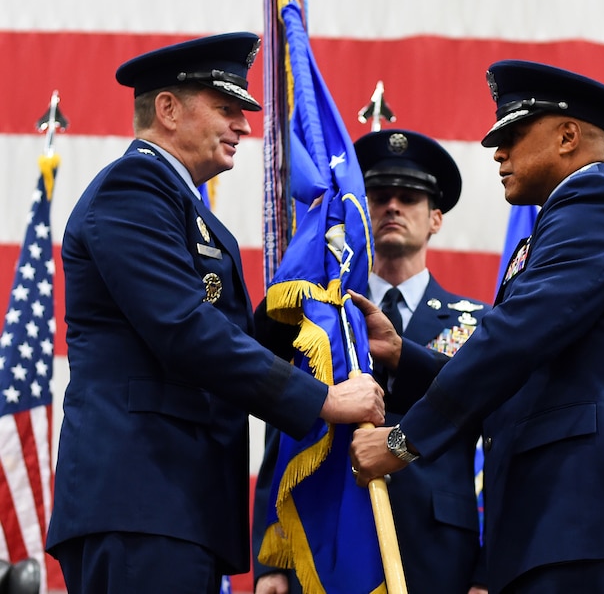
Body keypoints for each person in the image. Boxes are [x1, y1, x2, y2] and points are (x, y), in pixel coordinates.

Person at [45, 33, 385, 594]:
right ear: (168, 109)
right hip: (141, 498)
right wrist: (322, 401)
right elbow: (183, 328)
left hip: (177, 504)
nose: (245, 126)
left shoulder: (180, 206)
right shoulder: (132, 190)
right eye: (226, 108)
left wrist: (316, 316)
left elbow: (226, 332)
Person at [350, 60, 604, 594]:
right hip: (564, 527)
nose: (498, 153)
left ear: (566, 136)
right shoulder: (562, 225)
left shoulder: (594, 208)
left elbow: (512, 341)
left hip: (591, 519)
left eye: (512, 135)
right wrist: (403, 355)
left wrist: (402, 442)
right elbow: (522, 371)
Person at [252, 129, 490, 594]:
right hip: (330, 538)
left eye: (409, 197)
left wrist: (487, 573)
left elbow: (501, 445)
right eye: (378, 197)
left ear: (435, 218)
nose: (392, 207)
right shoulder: (322, 319)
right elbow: (283, 427)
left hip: (440, 550)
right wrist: (271, 559)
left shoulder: (480, 325)